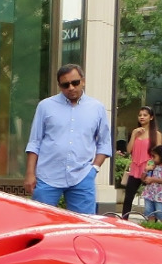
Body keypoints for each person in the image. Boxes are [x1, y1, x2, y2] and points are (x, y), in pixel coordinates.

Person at [23, 64, 112, 214]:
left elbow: (104, 143)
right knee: (40, 221)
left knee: (83, 223)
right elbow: (35, 141)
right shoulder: (45, 106)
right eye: (65, 85)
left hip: (82, 176)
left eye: (75, 83)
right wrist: (30, 173)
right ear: (59, 86)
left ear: (83, 81)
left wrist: (94, 169)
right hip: (48, 176)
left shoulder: (97, 108)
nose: (71, 88)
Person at [120, 106, 161, 220]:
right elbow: (129, 150)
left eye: (145, 115)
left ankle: (152, 223)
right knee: (128, 197)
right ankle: (124, 221)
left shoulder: (156, 134)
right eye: (140, 115)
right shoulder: (135, 132)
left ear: (151, 117)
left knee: (151, 197)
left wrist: (151, 166)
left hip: (149, 169)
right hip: (135, 168)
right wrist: (134, 135)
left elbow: (158, 154)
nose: (142, 117)